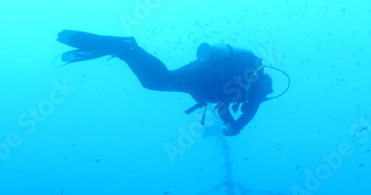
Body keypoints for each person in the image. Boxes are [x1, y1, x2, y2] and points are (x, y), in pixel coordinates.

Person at [57, 31, 273, 136]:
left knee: (156, 81)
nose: (261, 99)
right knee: (158, 80)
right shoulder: (257, 90)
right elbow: (249, 112)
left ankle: (124, 50)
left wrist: (229, 122)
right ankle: (128, 48)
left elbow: (221, 106)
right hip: (203, 78)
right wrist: (236, 127)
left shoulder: (246, 86)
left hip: (200, 78)